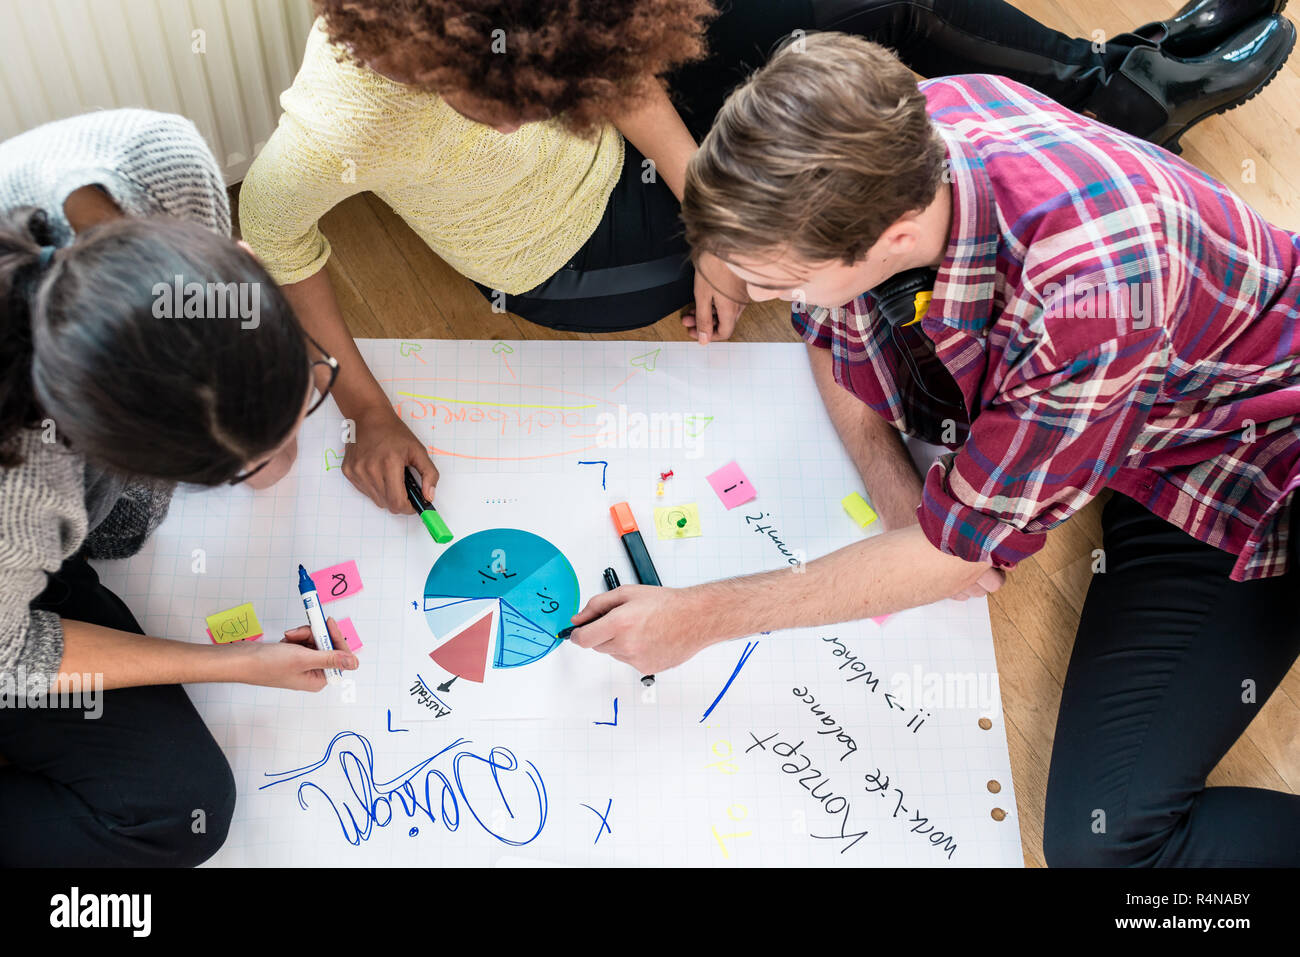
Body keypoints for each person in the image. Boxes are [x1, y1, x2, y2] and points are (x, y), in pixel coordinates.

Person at [565, 31, 1300, 866]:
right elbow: (826, 337)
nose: (759, 297)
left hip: (1247, 463)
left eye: (776, 280)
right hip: (1126, 427)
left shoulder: (1088, 306)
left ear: (898, 239)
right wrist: (900, 500)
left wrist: (701, 616)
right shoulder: (900, 141)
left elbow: (956, 559)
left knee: (1109, 850)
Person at [239, 0, 1294, 516]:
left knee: (874, 10)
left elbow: (617, 84)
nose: (529, 120)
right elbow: (275, 238)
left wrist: (718, 217)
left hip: (648, 162)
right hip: (574, 253)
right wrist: (367, 410)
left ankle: (1114, 87)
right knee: (839, 180)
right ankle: (1094, 118)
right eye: (508, 110)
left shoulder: (549, 43)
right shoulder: (332, 131)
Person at [0, 110, 359, 867]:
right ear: (104, 448)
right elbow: (10, 651)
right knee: (176, 810)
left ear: (240, 261)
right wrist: (232, 661)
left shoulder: (164, 163)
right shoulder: (21, 492)